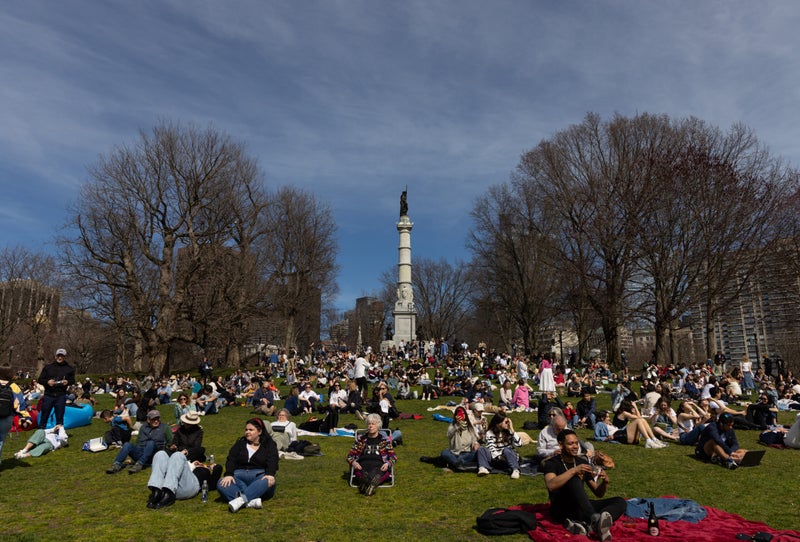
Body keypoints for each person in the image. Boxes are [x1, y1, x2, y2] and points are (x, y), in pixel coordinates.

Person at [543, 429, 625, 540]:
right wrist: (573, 471)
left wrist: (605, 482)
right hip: (561, 508)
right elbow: (551, 485)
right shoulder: (552, 463)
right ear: (561, 445)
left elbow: (598, 493)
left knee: (620, 501)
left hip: (581, 506)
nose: (575, 446)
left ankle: (596, 522)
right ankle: (595, 521)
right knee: (574, 479)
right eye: (570, 443)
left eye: (576, 443)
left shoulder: (581, 462)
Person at [218, 418, 278, 512]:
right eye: (246, 430)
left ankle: (241, 500)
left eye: (251, 430)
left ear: (260, 431)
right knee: (222, 482)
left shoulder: (269, 445)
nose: (247, 432)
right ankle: (250, 501)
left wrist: (270, 474)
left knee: (267, 481)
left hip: (259, 477)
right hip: (239, 476)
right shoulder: (240, 444)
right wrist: (229, 474)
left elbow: (273, 460)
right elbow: (231, 459)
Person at [145, 450, 222, 509]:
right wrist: (192, 465)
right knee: (160, 454)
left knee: (178, 455)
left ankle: (168, 494)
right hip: (171, 484)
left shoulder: (207, 473)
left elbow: (213, 484)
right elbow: (175, 468)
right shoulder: (192, 468)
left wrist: (214, 467)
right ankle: (156, 491)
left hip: (189, 487)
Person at [106, 410, 173, 474]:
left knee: (151, 443)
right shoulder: (143, 427)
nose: (156, 421)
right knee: (127, 444)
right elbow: (138, 442)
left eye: (157, 419)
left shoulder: (165, 428)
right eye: (153, 419)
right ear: (148, 420)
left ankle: (139, 464)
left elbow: (171, 443)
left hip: (154, 454)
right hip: (141, 451)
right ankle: (116, 464)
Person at [347, 413, 397, 496]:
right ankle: (370, 485)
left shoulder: (384, 440)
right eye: (369, 424)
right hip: (362, 465)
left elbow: (393, 457)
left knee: (377, 473)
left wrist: (387, 463)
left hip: (379, 466)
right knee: (364, 473)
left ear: (378, 426)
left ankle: (365, 485)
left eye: (373, 424)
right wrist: (354, 463)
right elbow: (349, 456)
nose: (370, 426)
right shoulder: (361, 439)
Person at [1, 365, 33, 466]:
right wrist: (26, 419)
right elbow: (21, 405)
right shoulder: (14, 387)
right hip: (7, 418)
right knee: (0, 440)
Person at [36, 348, 75, 428]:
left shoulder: (69, 368)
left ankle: (59, 436)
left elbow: (72, 380)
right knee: (44, 415)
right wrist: (47, 382)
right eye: (58, 356)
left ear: (64, 357)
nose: (60, 358)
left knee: (59, 417)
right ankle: (40, 433)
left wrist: (67, 382)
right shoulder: (48, 367)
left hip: (61, 395)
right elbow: (40, 380)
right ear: (55, 356)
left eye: (62, 356)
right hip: (48, 395)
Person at [477, 412, 523, 478]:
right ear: (498, 423)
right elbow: (491, 448)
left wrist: (512, 430)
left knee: (506, 450)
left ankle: (515, 470)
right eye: (506, 422)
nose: (508, 424)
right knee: (481, 449)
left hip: (509, 457)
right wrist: (499, 457)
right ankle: (483, 467)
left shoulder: (509, 432)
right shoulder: (490, 433)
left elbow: (519, 444)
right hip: (497, 459)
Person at [439, 405, 480, 471]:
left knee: (478, 452)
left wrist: (476, 444)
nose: (462, 415)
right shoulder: (453, 426)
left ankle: (453, 465)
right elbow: (449, 435)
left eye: (463, 414)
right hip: (454, 453)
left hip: (466, 454)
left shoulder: (470, 427)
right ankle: (459, 465)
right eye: (460, 414)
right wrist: (457, 425)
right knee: (444, 452)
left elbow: (474, 441)